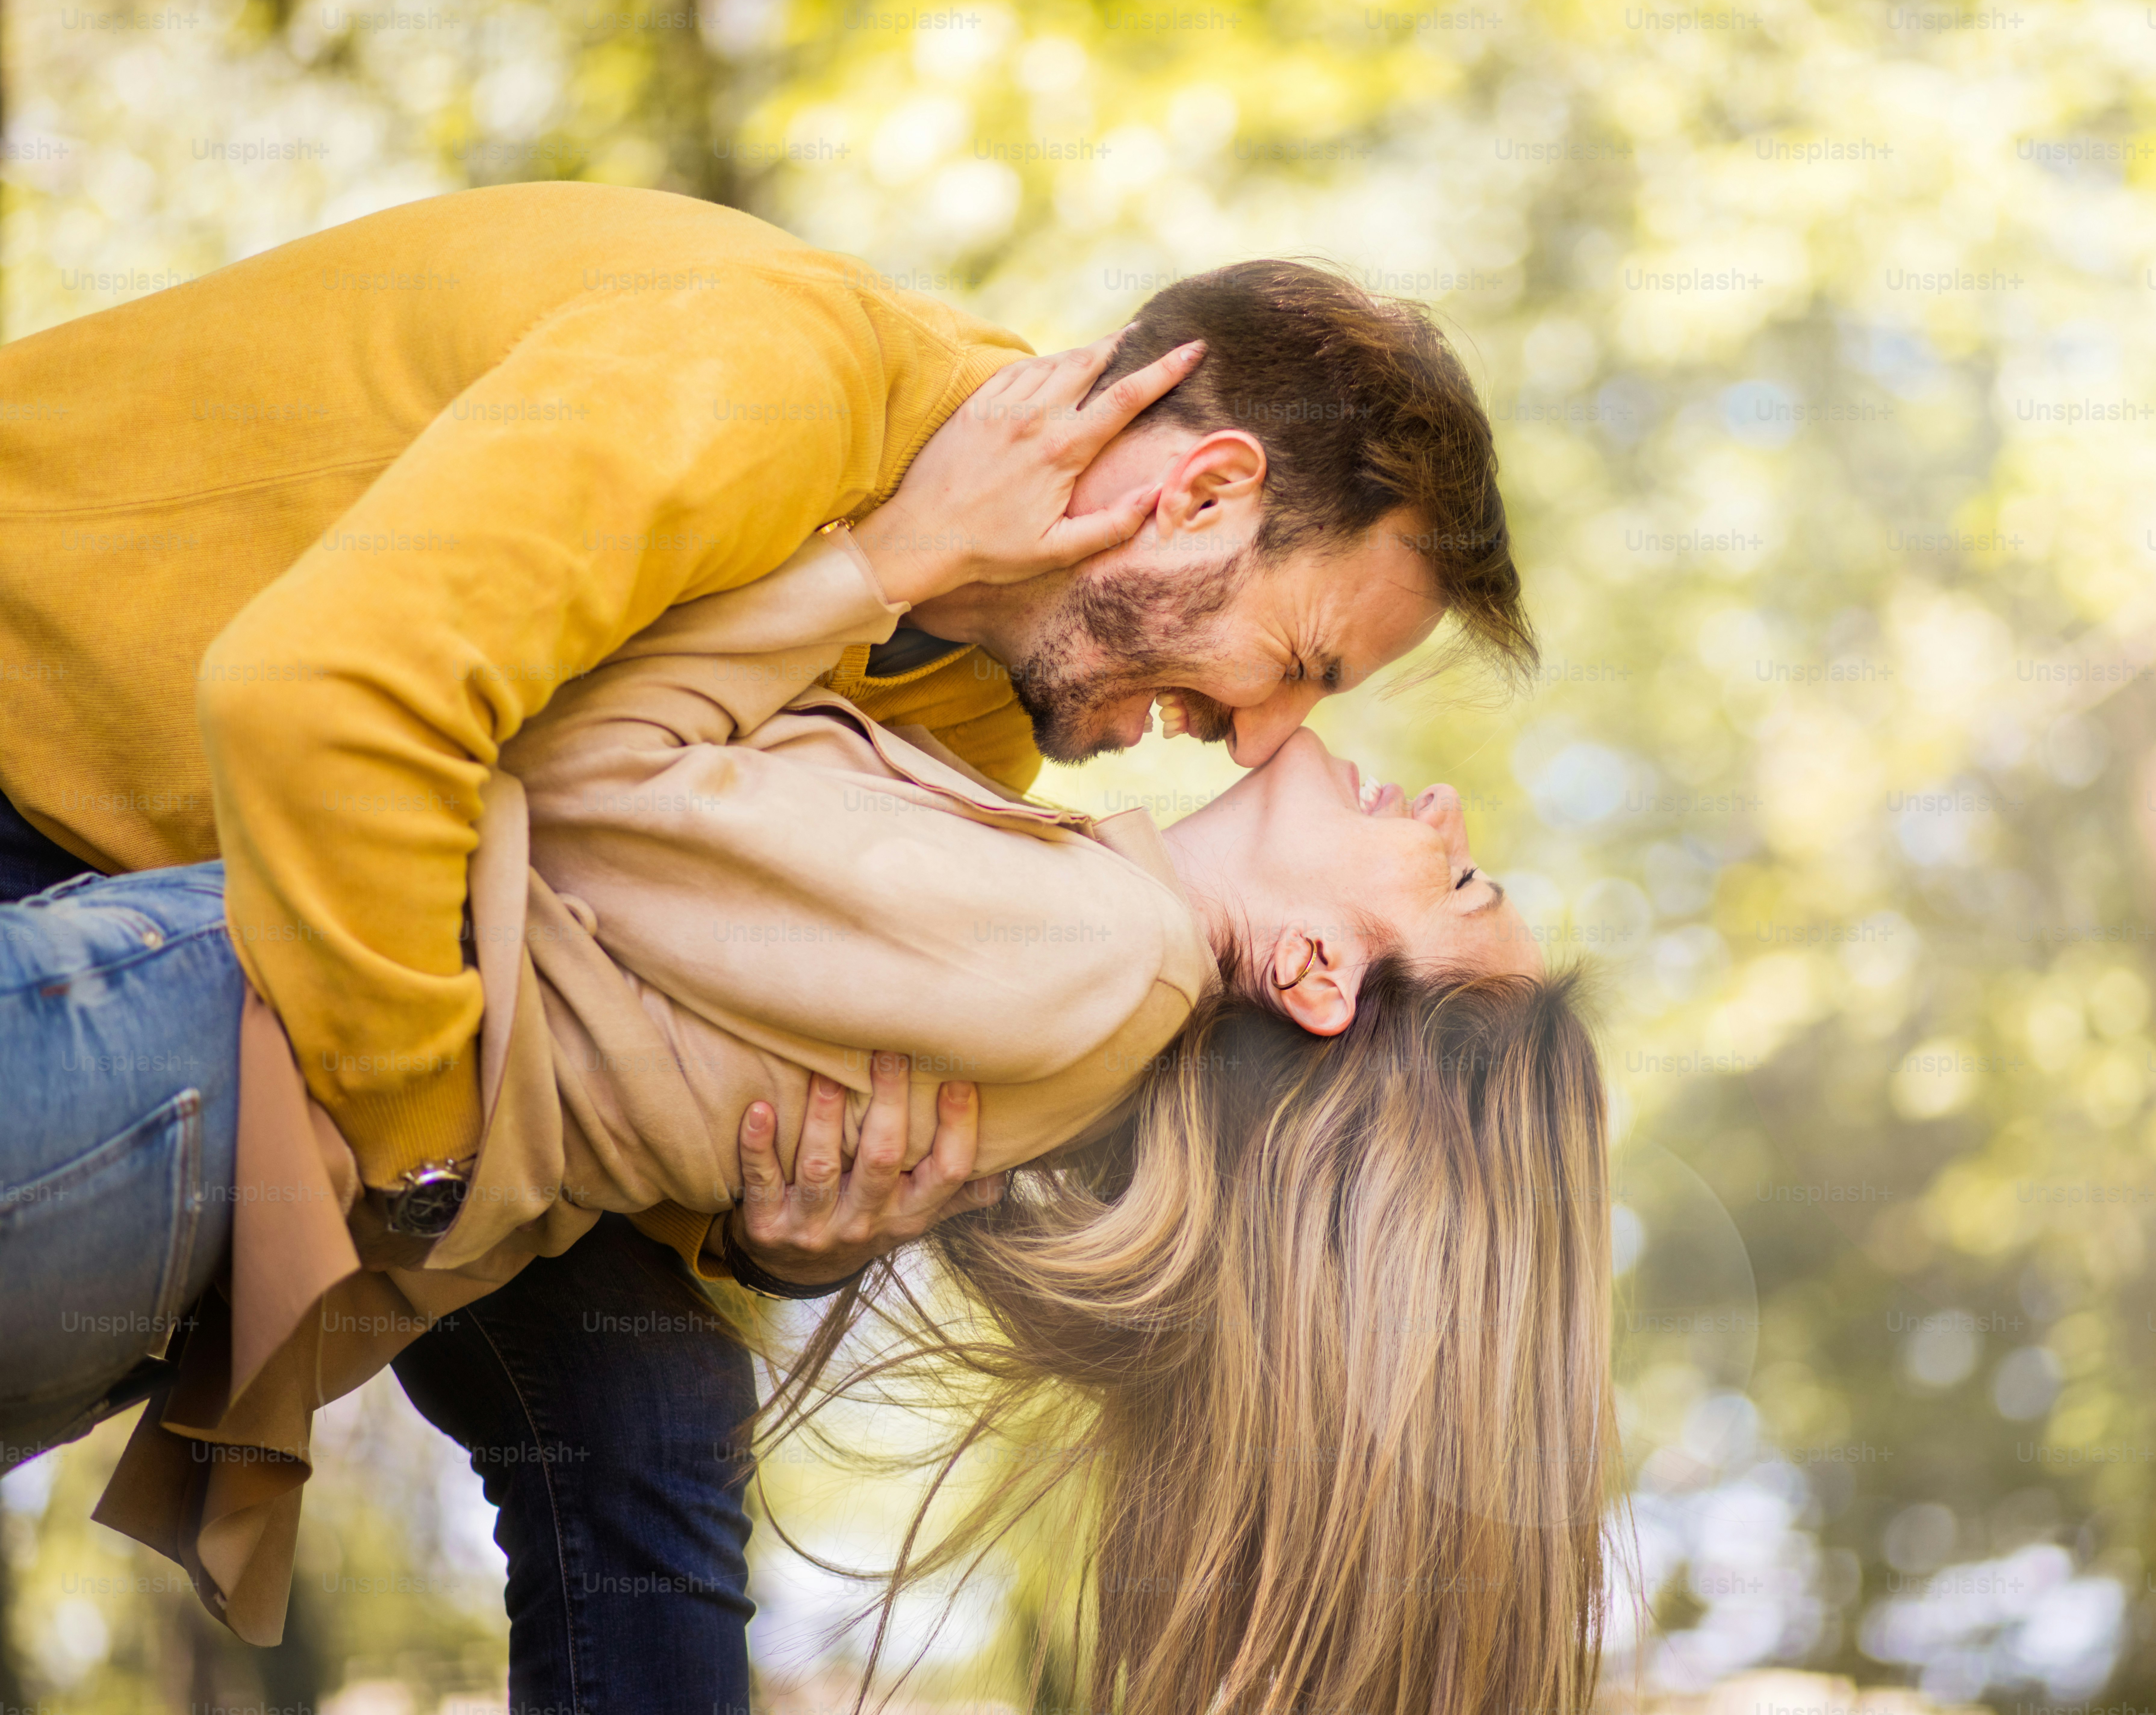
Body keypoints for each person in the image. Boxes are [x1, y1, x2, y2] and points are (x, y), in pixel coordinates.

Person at [0, 180, 1526, 1706]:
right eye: (1297, 662)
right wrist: (421, 1152)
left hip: (361, 935)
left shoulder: (979, 720)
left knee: (654, 1404)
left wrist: (765, 1229)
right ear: (1202, 496)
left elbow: (650, 999)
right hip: (54, 749)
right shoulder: (778, 372)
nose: (1262, 739)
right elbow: (335, 709)